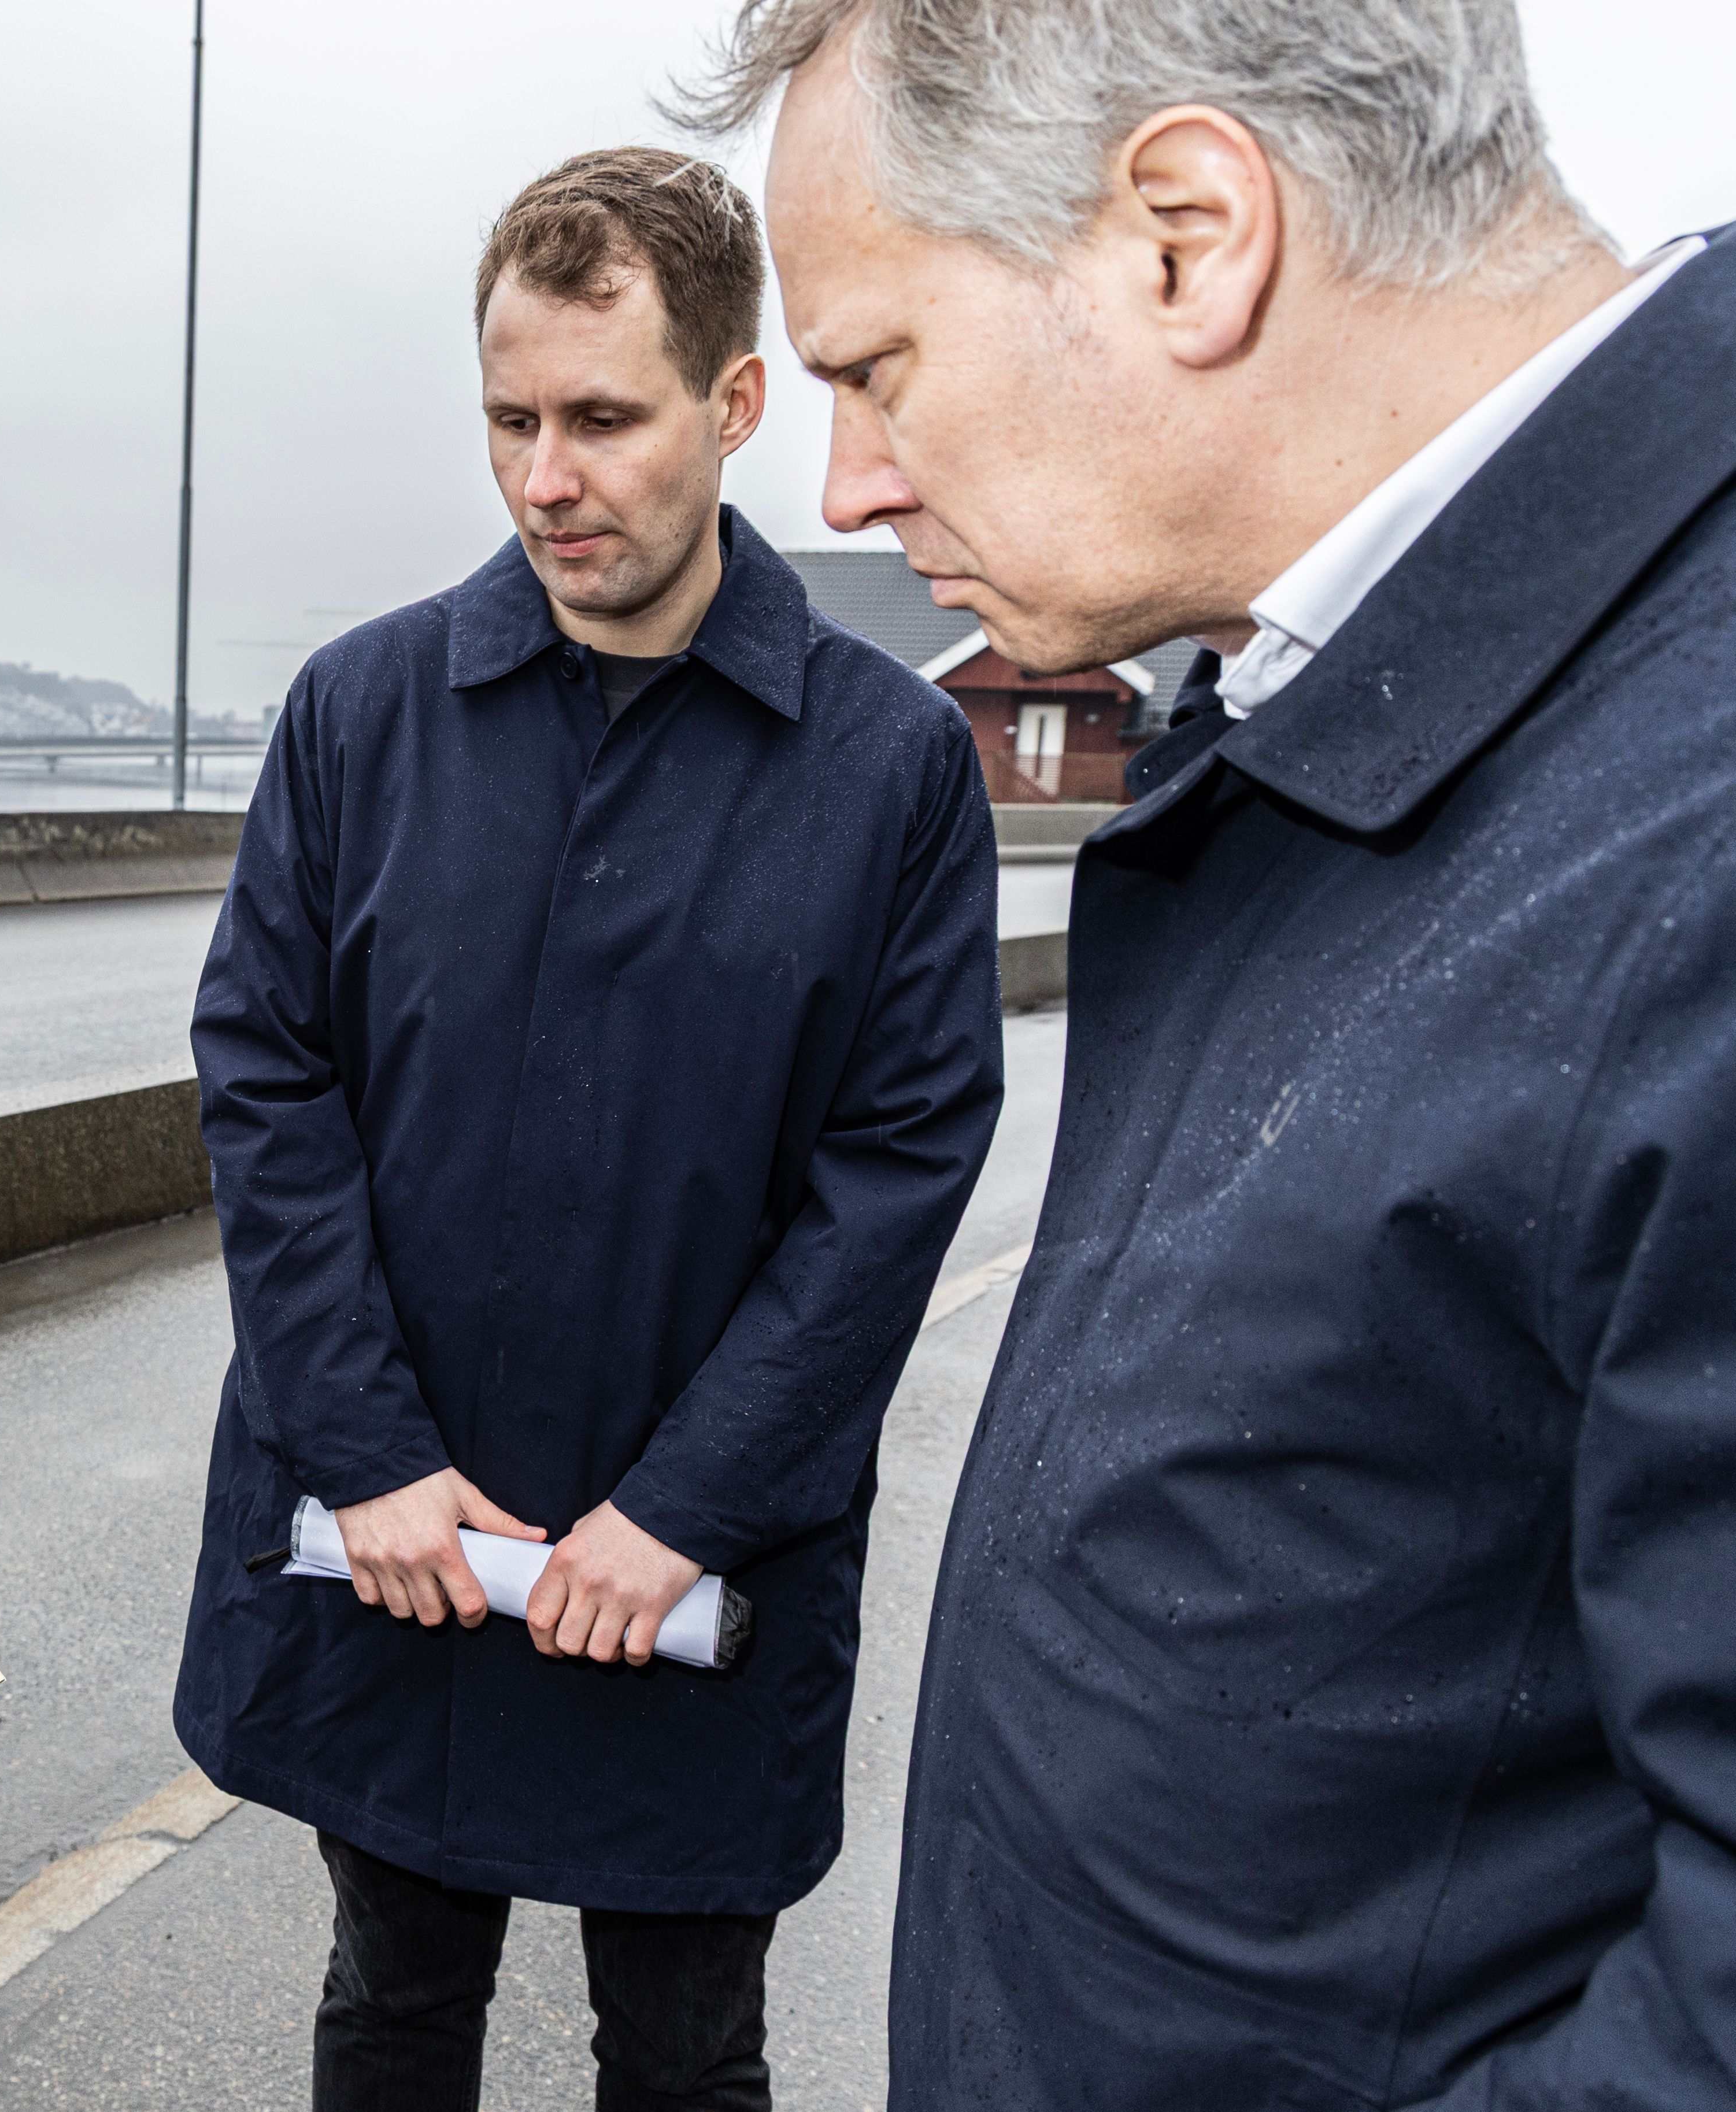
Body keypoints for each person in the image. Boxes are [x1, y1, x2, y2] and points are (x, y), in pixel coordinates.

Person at [679, 1, 1736, 2102]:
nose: (847, 479)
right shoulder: (1340, 715)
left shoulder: (1682, 817)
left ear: (1186, 233)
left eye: (875, 366)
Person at [175, 148, 1005, 2111]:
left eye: (604, 421)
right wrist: (366, 1453)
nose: (547, 478)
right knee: (391, 1997)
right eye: (510, 421)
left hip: (699, 1570)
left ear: (732, 407)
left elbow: (893, 1183)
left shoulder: (889, 771)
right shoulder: (358, 715)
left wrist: (686, 1510)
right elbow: (265, 1079)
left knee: (690, 2045)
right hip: (395, 1541)